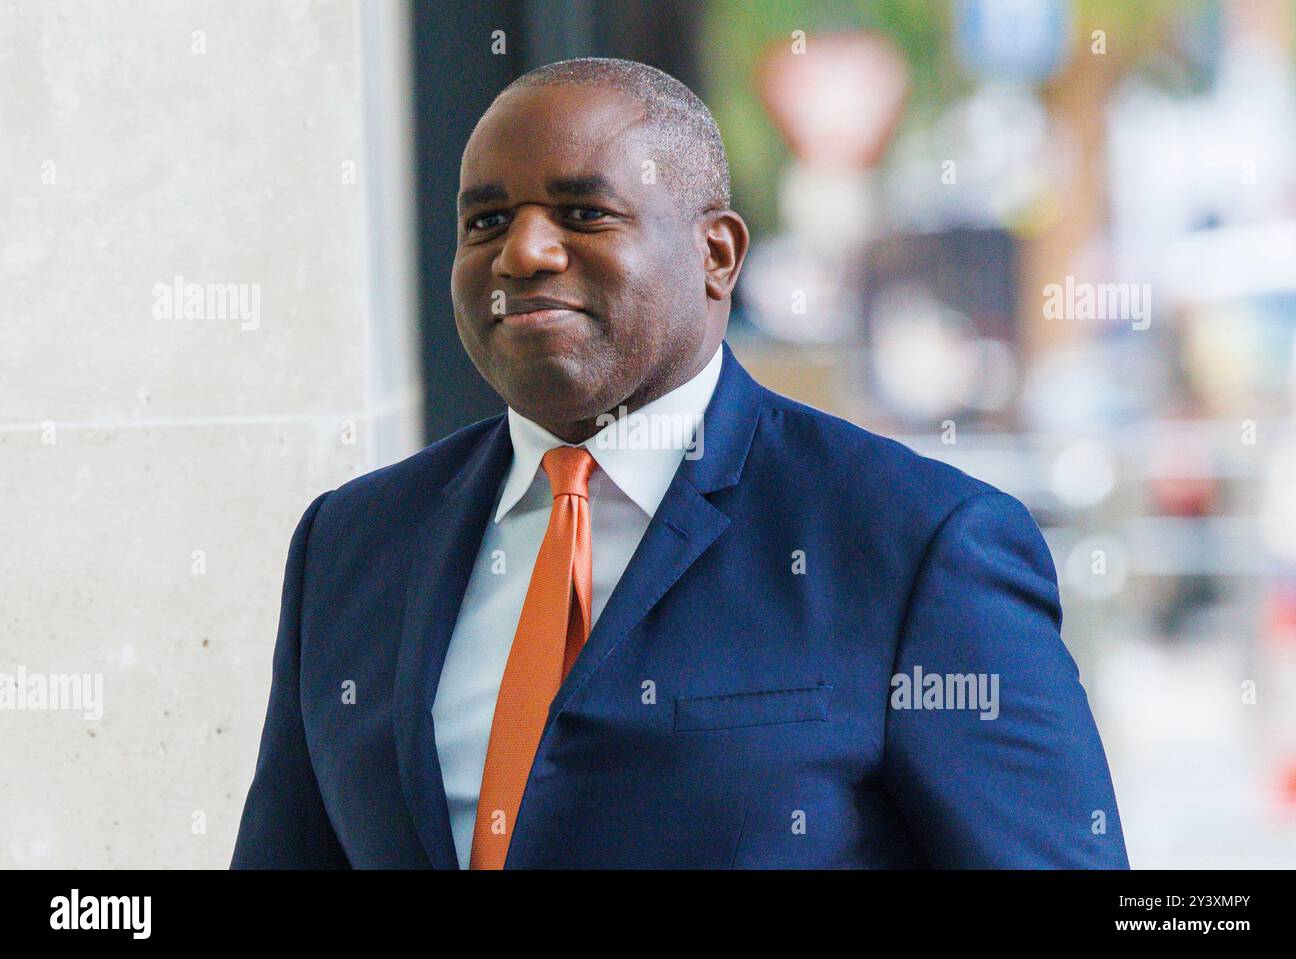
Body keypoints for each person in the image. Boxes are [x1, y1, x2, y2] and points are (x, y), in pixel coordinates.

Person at [231, 57, 1128, 869]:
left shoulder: (913, 543)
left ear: (718, 254)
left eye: (584, 213)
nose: (523, 252)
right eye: (486, 220)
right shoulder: (350, 543)